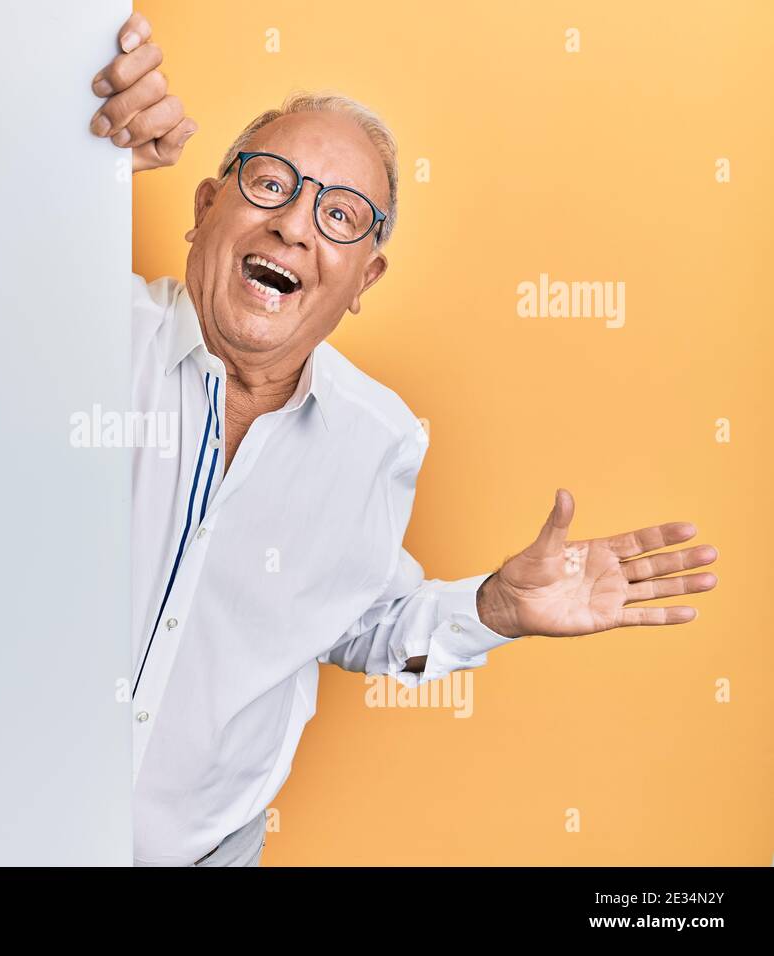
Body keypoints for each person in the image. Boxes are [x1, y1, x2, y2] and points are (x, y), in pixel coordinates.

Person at [91, 12, 719, 867]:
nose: (296, 226)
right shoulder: (84, 334)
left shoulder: (375, 439)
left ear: (364, 280)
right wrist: (81, 167)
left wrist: (495, 609)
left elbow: (355, 614)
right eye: (271, 184)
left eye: (342, 215)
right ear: (206, 208)